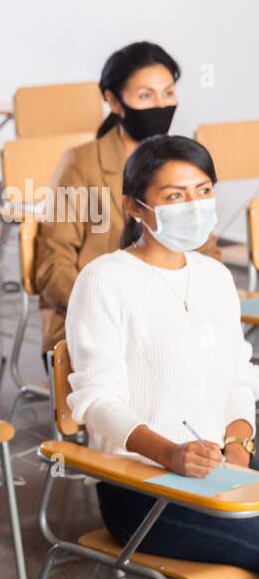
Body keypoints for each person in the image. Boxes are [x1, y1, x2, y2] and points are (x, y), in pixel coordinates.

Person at [66, 135, 259, 574]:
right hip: (141, 486)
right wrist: (172, 454)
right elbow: (97, 401)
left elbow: (238, 374)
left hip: (220, 470)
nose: (193, 206)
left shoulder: (214, 275)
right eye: (174, 196)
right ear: (135, 207)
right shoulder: (104, 280)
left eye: (203, 191)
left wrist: (238, 448)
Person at [34, 41, 221, 355]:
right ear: (114, 101)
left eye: (168, 93)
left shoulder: (184, 166)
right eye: (146, 95)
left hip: (173, 321)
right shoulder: (81, 164)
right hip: (92, 324)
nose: (160, 105)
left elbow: (206, 252)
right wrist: (108, 310)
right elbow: (53, 266)